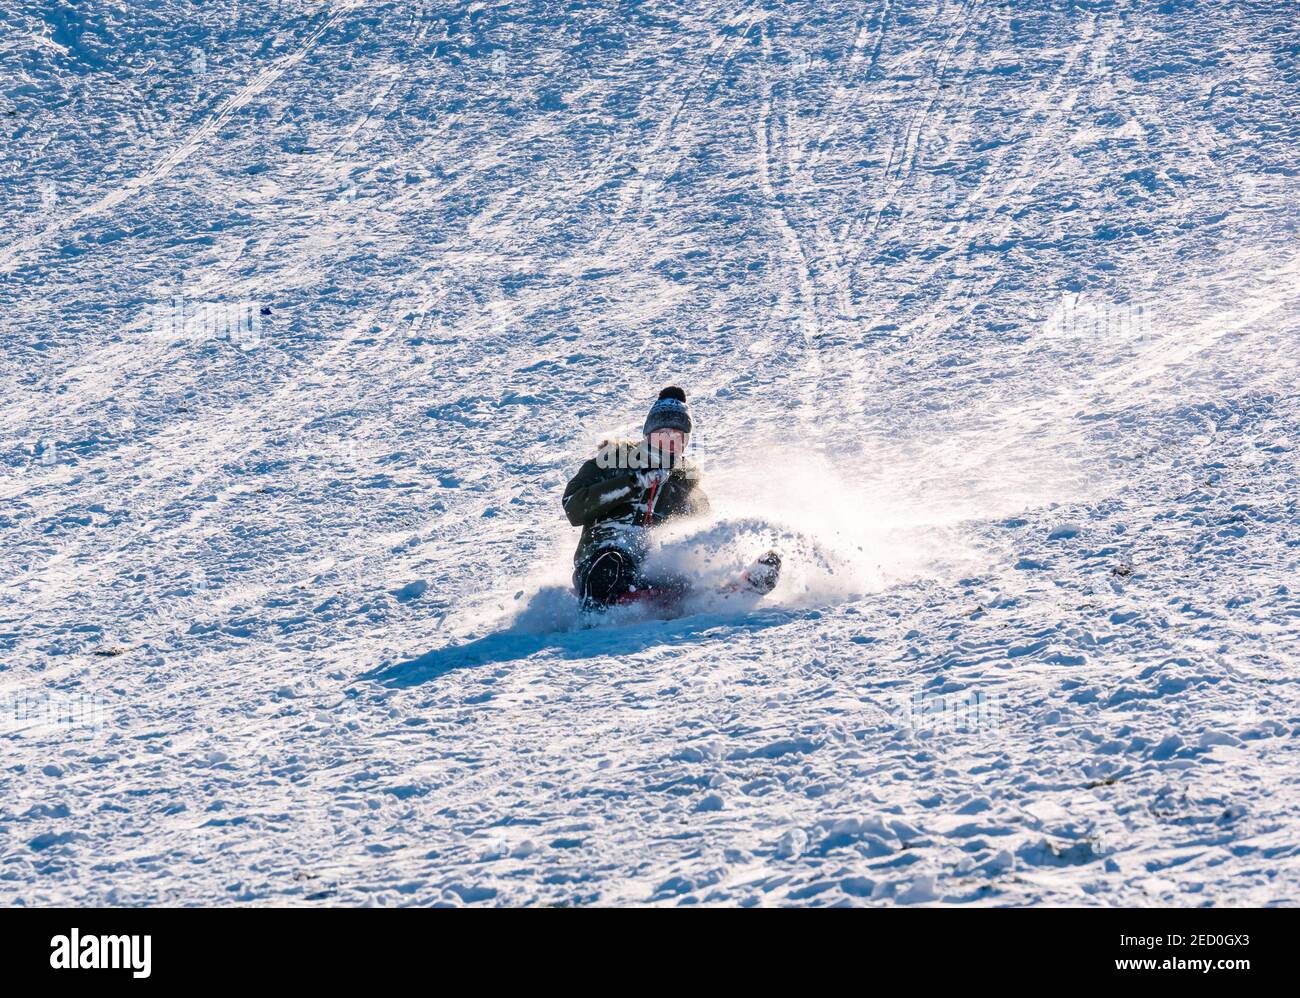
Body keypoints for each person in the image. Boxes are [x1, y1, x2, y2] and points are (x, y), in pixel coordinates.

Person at [562, 387, 709, 608]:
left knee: (686, 570)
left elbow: (703, 533)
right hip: (603, 561)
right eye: (663, 435)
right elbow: (573, 507)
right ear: (648, 435)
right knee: (611, 563)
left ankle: (731, 587)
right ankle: (598, 604)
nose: (669, 444)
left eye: (678, 438)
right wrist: (633, 482)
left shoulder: (684, 484)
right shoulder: (612, 462)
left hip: (650, 570)